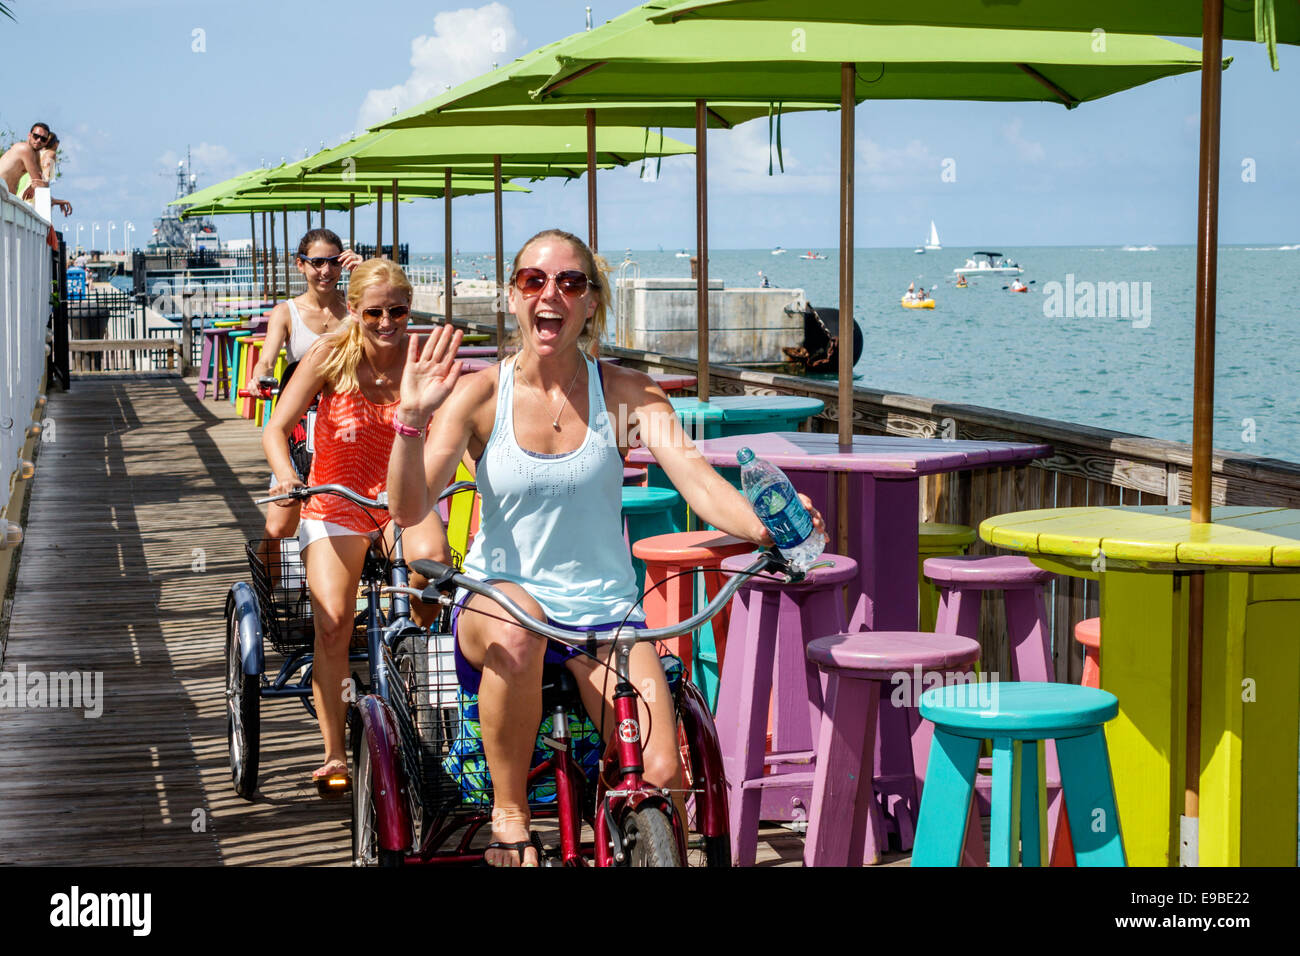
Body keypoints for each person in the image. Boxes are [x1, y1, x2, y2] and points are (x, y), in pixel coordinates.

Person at [387, 227, 826, 866]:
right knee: (521, 627)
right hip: (498, 605)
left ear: (591, 302)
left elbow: (700, 483)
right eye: (534, 281)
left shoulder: (625, 393)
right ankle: (509, 813)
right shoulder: (481, 395)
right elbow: (406, 506)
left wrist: (766, 527)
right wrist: (409, 418)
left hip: (603, 613)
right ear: (513, 297)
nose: (551, 295)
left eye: (570, 282)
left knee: (661, 772)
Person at [263, 258, 452, 795]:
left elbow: (459, 433)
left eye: (398, 310)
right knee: (333, 621)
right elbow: (277, 429)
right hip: (335, 502)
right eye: (375, 312)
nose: (387, 322)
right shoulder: (329, 354)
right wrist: (285, 476)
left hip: (403, 504)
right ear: (354, 309)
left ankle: (421, 699)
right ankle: (333, 751)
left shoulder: (422, 361)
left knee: (430, 583)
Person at [247, 228, 361, 545]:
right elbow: (267, 358)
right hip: (302, 427)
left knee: (359, 516)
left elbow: (391, 312)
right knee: (279, 526)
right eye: (317, 262)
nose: (326, 271)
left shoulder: (358, 309)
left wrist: (364, 275)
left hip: (347, 424)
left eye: (335, 262)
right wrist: (259, 376)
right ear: (301, 265)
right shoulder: (287, 312)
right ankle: (268, 592)